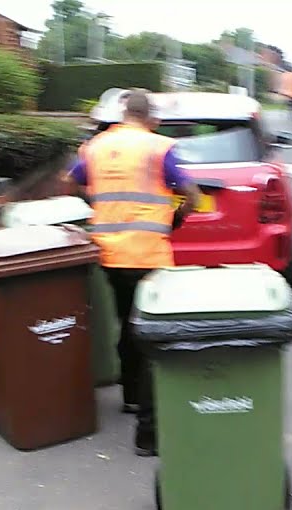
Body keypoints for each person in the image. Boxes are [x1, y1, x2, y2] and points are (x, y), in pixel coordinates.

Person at [65, 90, 201, 457]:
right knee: (151, 333)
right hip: (148, 251)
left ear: (124, 114)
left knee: (126, 320)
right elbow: (191, 193)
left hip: (109, 252)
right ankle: (148, 428)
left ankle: (128, 396)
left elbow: (72, 182)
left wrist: (97, 207)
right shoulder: (159, 147)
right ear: (150, 117)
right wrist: (175, 217)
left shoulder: (95, 147)